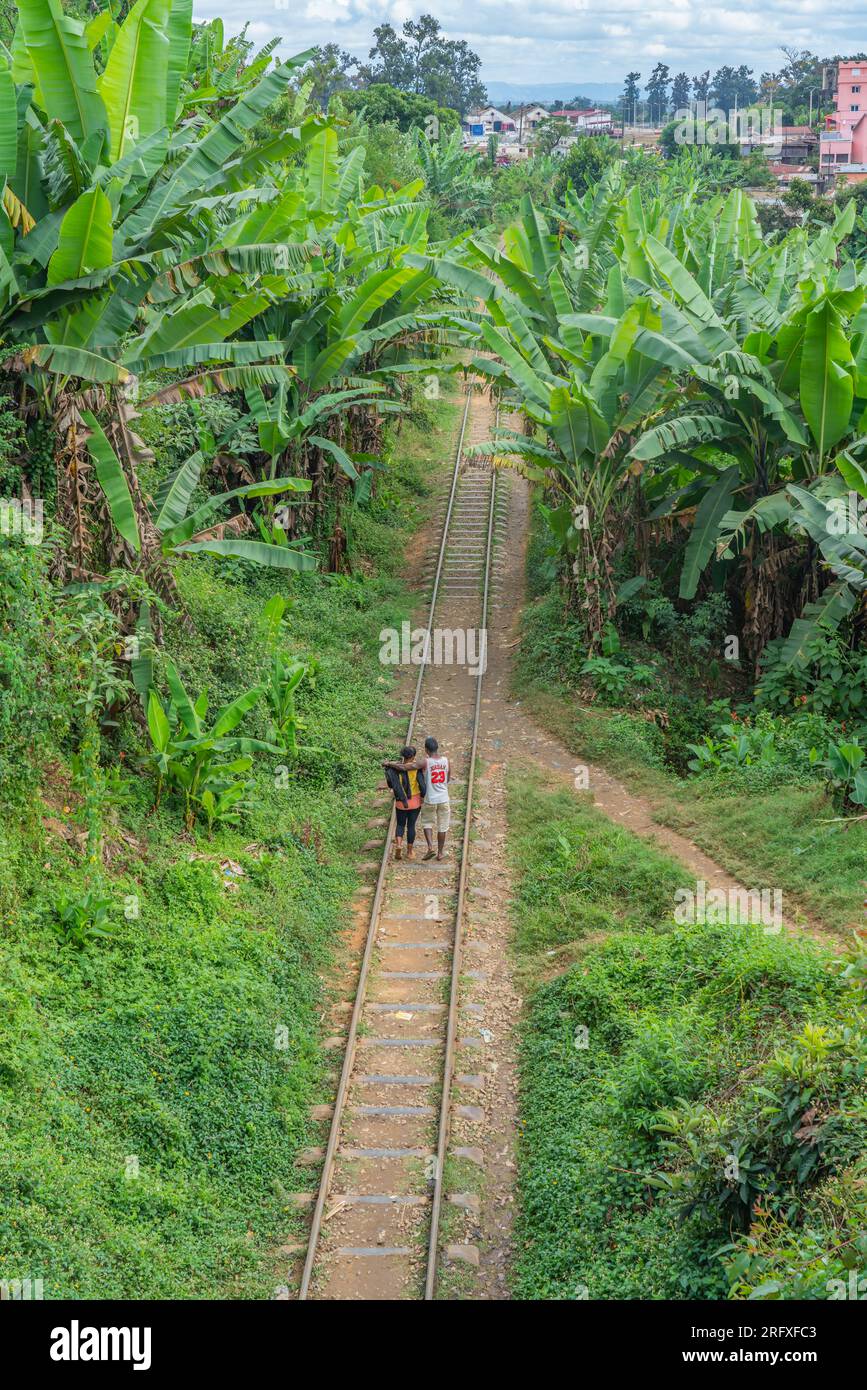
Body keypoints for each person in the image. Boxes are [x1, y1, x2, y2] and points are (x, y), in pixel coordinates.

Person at [385, 735, 450, 861]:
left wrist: (389, 763)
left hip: (414, 801)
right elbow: (443, 780)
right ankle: (434, 852)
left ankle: (422, 846)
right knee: (434, 826)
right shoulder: (444, 761)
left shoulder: (421, 763)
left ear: (426, 750)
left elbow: (399, 773)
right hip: (432, 800)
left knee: (418, 824)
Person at [383, 746, 425, 861]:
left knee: (400, 825)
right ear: (413, 757)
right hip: (415, 802)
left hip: (401, 802)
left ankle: (399, 845)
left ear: (403, 756)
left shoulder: (395, 768)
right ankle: (410, 852)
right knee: (411, 826)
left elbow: (391, 785)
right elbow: (422, 785)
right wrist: (422, 797)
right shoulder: (416, 768)